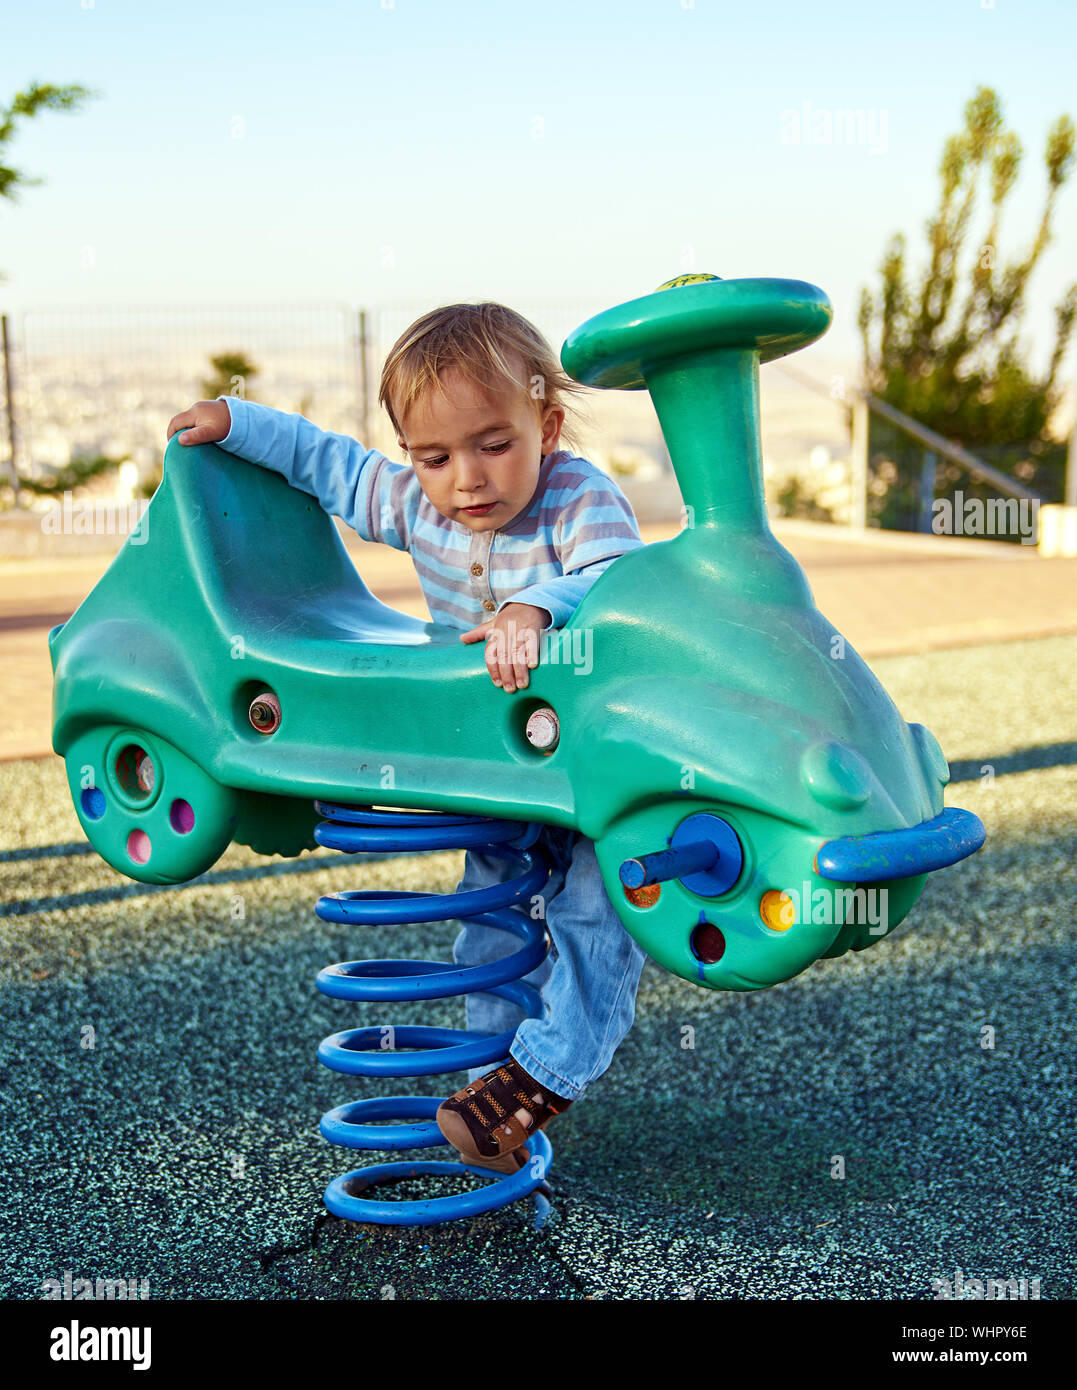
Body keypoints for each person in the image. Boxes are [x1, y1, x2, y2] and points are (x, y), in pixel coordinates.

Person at [166, 301, 649, 1173]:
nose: (466, 478)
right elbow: (328, 463)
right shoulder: (419, 507)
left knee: (596, 906)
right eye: (433, 457)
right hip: (496, 765)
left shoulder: (579, 495)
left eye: (494, 444)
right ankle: (486, 1092)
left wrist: (538, 604)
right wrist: (236, 422)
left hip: (587, 758)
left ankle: (545, 1073)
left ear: (546, 425)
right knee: (489, 921)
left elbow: (620, 574)